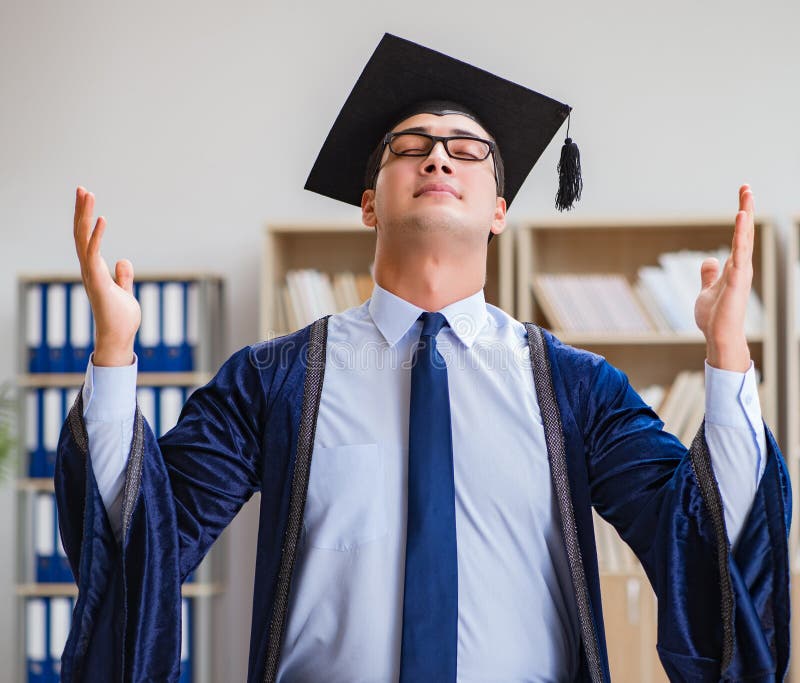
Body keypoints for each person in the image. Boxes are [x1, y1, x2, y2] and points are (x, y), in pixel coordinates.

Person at [56, 34, 790, 682]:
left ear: (499, 210)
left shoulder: (575, 387)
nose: (439, 154)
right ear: (370, 202)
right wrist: (115, 357)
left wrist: (727, 353)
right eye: (410, 146)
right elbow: (141, 539)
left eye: (467, 150)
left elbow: (703, 543)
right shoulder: (272, 381)